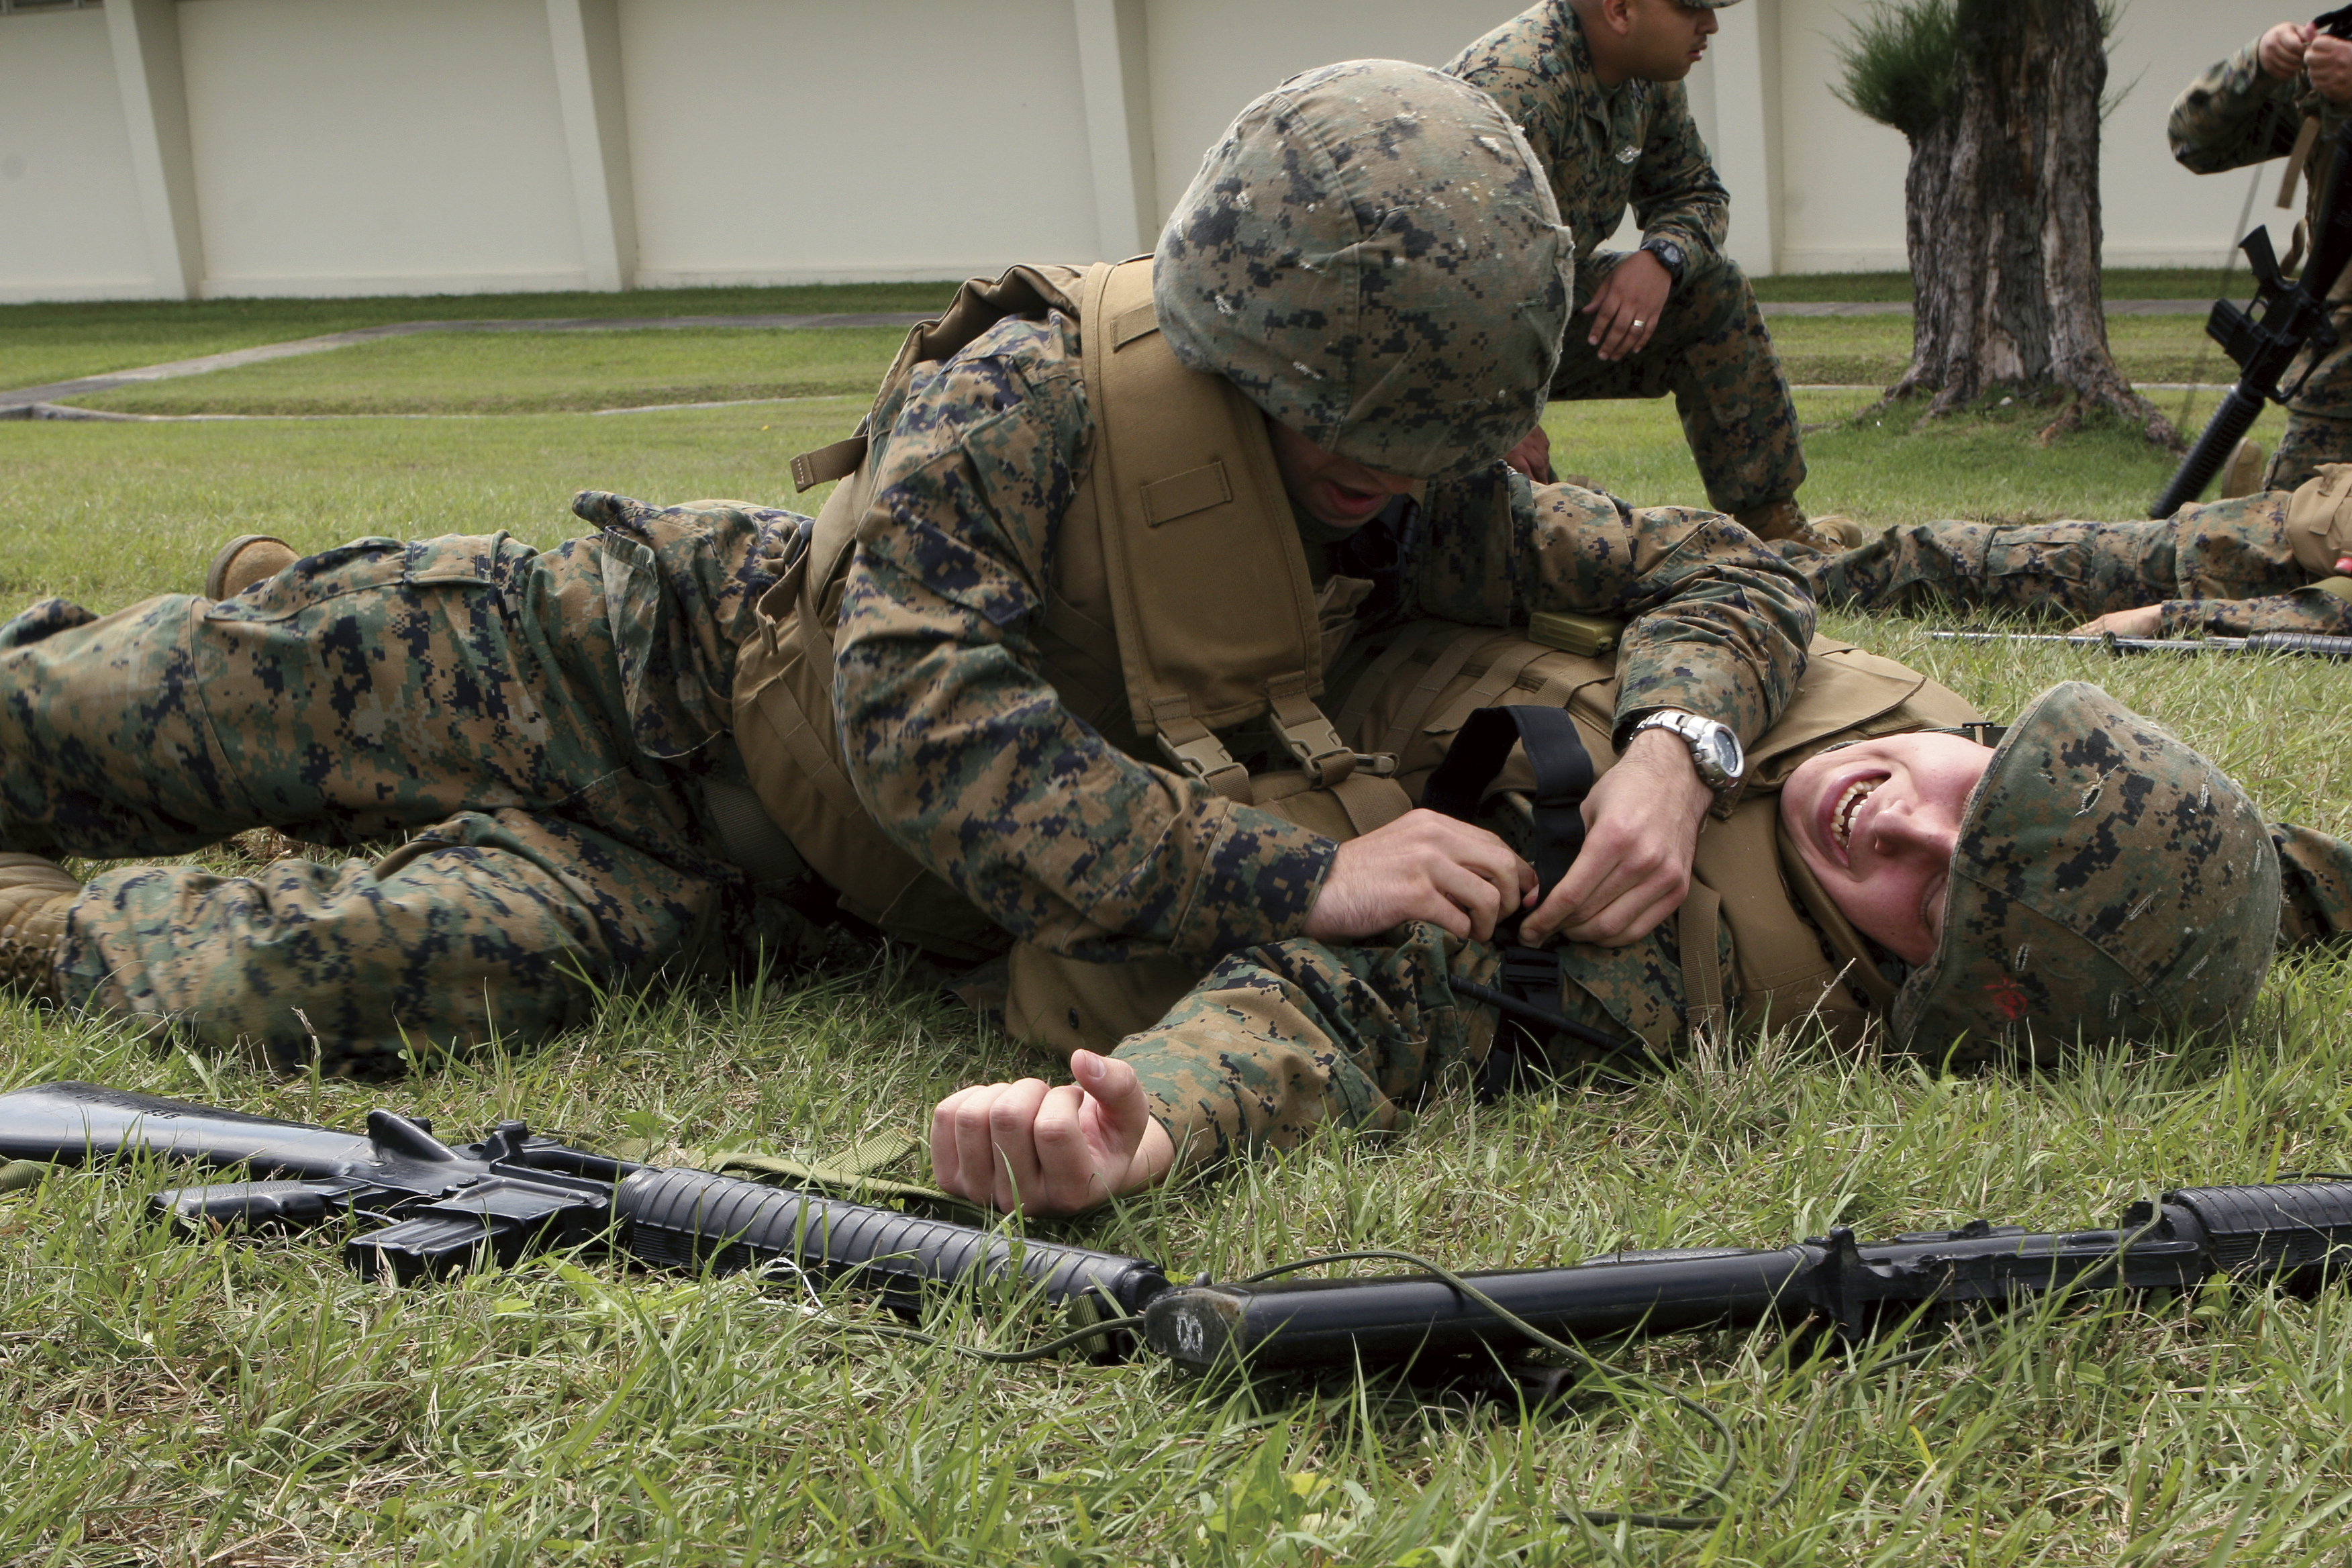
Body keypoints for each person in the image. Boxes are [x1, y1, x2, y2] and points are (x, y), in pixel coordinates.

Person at [0, 61, 1814, 1072]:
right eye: (1375, 446)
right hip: (619, 675)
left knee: (271, 986)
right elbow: (924, 721)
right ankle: (252, 622)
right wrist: (1297, 881)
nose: (1411, 489)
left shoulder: (1402, 485)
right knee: (96, 721)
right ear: (1270, 358)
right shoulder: (1033, 389)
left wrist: (1681, 750)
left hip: (758, 908)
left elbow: (1723, 570)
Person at [930, 648, 2350, 1216]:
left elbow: (1354, 1006)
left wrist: (1154, 1123)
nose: (1895, 820)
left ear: (1955, 991)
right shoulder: (2069, 825)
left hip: (1019, 782)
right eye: (1968, 790)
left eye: (1936, 896)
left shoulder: (1655, 963)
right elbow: (2259, 872)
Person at [1447, 0, 1820, 545]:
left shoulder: (1648, 75)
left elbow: (1694, 190)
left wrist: (1661, 260)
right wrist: (1498, 413)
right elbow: (1449, 280)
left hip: (1538, 308)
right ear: (1620, 10)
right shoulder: (1517, 87)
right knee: (1534, 539)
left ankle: (1772, 524)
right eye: (1693, 7)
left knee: (1711, 291)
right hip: (1442, 342)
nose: (1711, 24)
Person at [1771, 472, 2352, 638]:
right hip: (2243, 535)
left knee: (1938, 558)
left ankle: (1782, 569)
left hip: (2212, 566)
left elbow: (2333, 613)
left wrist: (2166, 619)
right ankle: (1818, 558)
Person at [2171, 20, 2352, 491]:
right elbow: (2192, 141)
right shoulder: (2333, 58)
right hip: (2336, 368)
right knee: (2294, 534)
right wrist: (2257, 65)